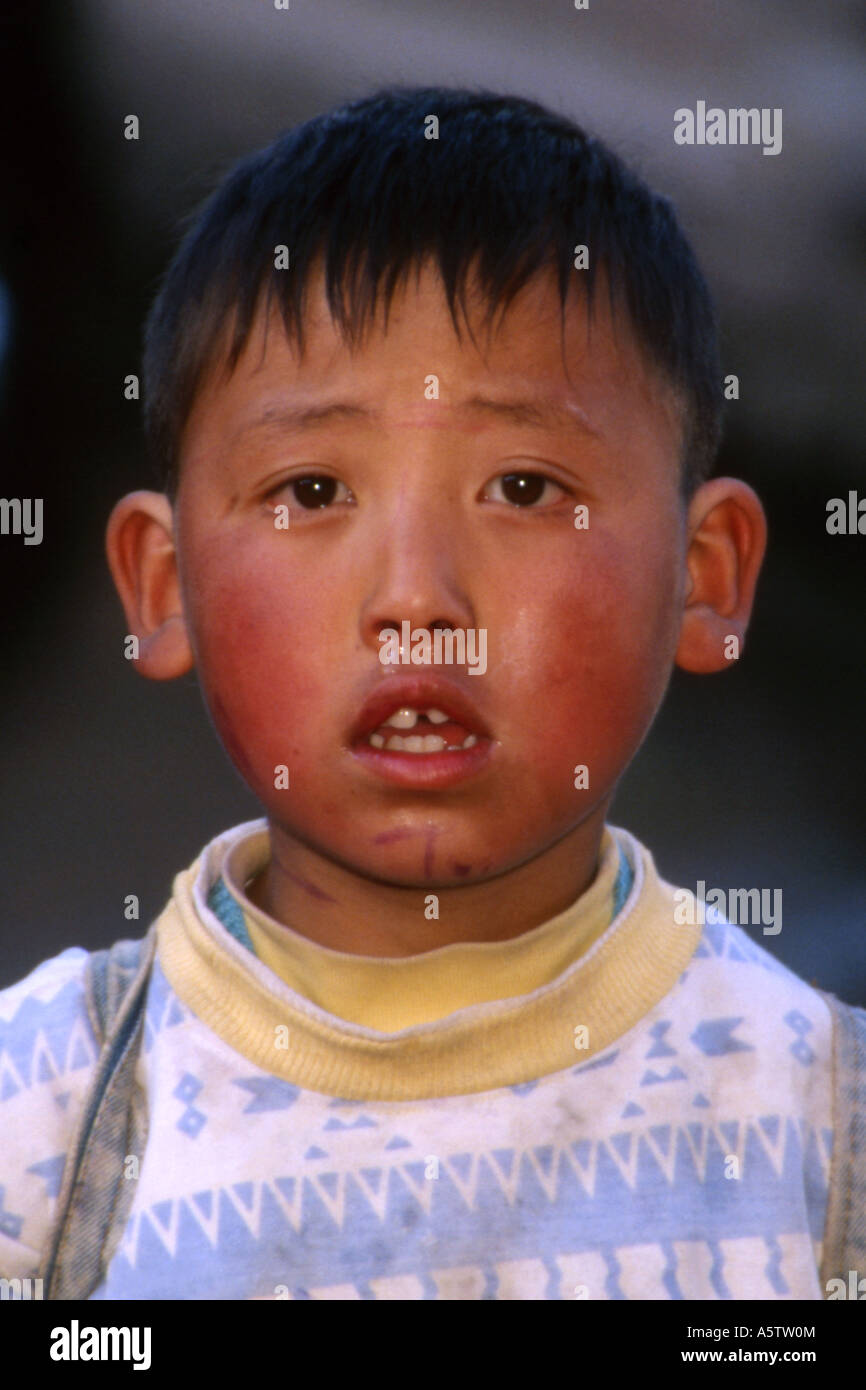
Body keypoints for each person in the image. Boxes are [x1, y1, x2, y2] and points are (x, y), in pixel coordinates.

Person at [1, 86, 861, 1301]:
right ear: (163, 582)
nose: (416, 597)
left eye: (520, 488)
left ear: (704, 578)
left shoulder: (824, 1126)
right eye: (309, 492)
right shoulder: (50, 1113)